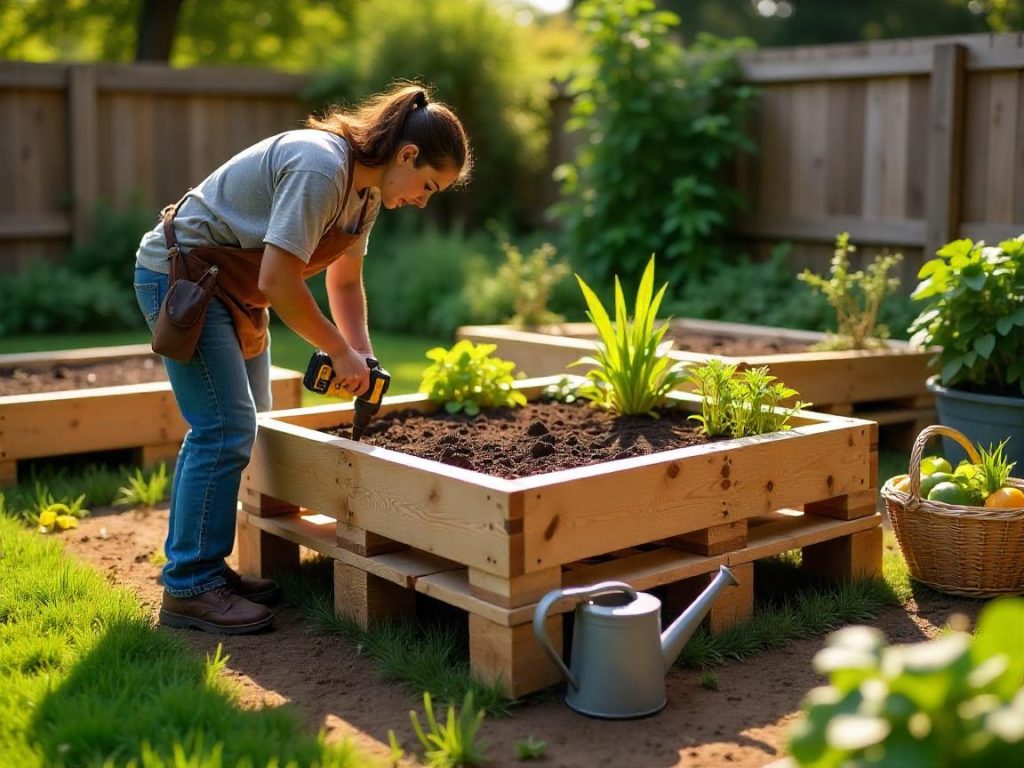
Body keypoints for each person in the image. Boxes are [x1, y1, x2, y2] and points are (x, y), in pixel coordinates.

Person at [133, 83, 472, 634]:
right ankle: (189, 585)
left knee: (251, 418)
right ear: (406, 155)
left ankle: (207, 570)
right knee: (223, 426)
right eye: (427, 185)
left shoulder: (365, 196)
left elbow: (344, 283)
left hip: (233, 289)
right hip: (185, 280)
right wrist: (334, 349)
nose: (422, 199)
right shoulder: (322, 169)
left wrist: (360, 351)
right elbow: (278, 280)